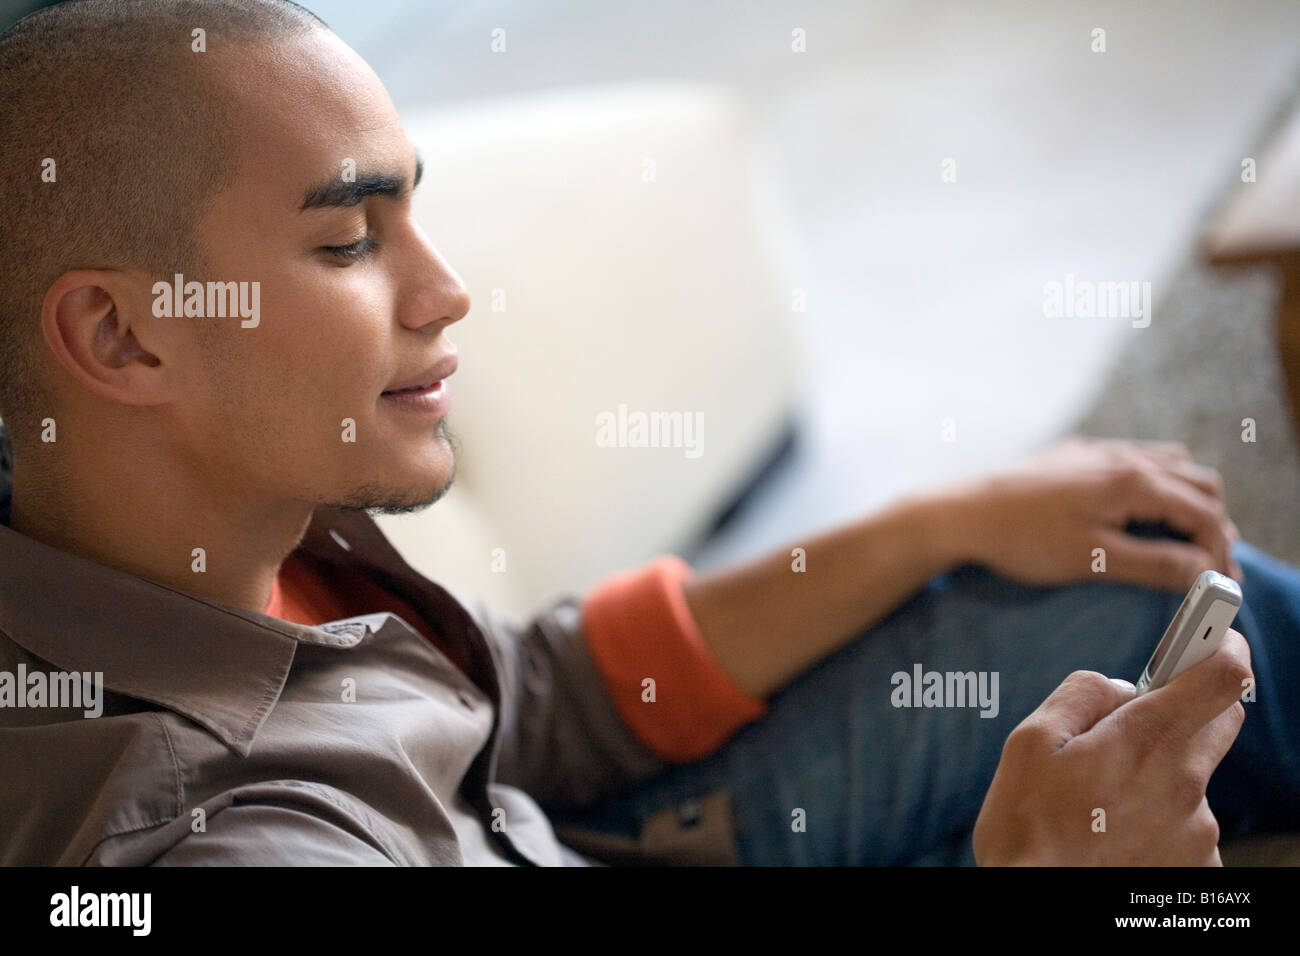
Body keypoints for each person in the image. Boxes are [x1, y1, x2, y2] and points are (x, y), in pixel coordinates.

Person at [0, 0, 1293, 867]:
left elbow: (531, 700)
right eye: (348, 241)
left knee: (1116, 593)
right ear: (121, 339)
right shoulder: (230, 839)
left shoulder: (244, 527)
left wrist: (949, 517)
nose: (448, 293)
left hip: (565, 827)